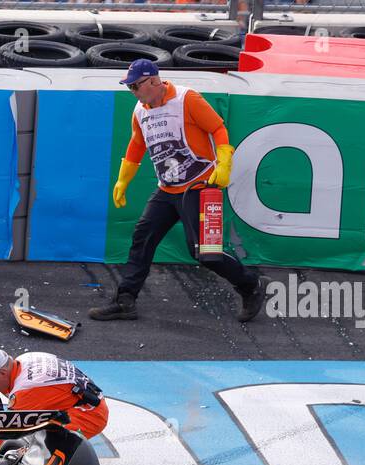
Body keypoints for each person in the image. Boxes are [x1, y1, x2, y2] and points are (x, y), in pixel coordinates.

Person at [88, 58, 266, 324]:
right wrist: (123, 179)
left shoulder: (187, 99)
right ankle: (125, 300)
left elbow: (217, 128)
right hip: (167, 189)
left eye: (135, 86)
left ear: (153, 81)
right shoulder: (140, 110)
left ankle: (250, 285)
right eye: (130, 87)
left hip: (198, 185)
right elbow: (137, 144)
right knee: (142, 238)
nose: (132, 92)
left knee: (205, 252)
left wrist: (225, 161)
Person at [0, 348, 108, 459]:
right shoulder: (24, 359)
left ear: (2, 373)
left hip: (89, 415)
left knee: (37, 453)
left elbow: (4, 432)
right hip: (84, 398)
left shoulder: (24, 392)